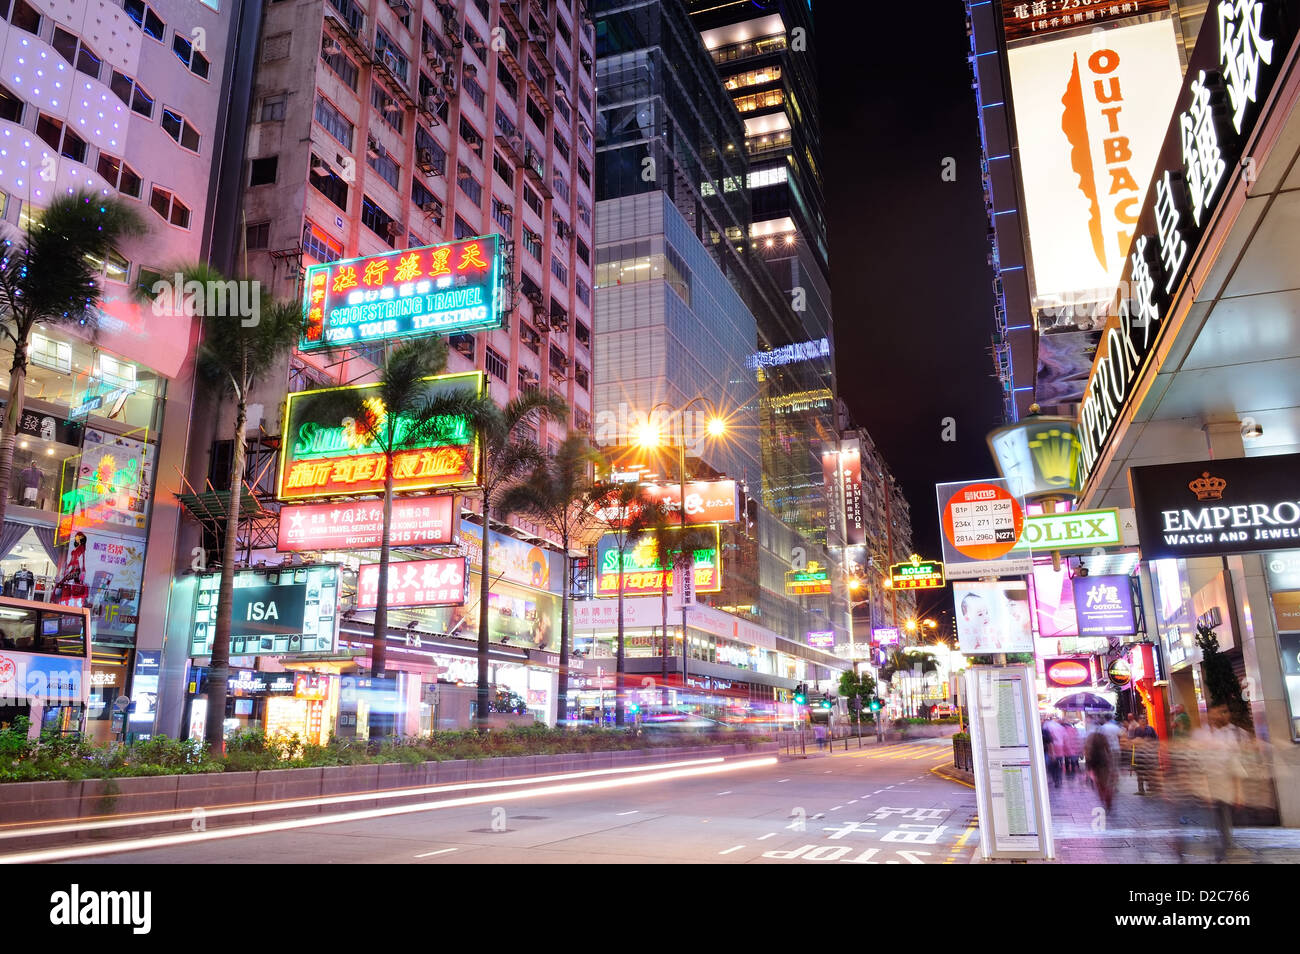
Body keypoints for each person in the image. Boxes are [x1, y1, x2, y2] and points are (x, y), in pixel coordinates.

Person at [1084, 722, 1117, 813]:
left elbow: (1087, 750)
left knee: (1099, 782)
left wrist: (1088, 764)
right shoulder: (1103, 737)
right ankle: (1107, 800)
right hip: (1103, 762)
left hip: (1094, 762)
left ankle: (1103, 796)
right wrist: (1111, 762)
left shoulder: (1090, 737)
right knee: (1105, 782)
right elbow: (1108, 749)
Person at [1131, 712, 1159, 795]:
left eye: (1144, 718)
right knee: (1140, 772)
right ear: (1139, 721)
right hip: (1140, 754)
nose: (1143, 720)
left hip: (1148, 753)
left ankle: (1151, 789)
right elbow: (1135, 741)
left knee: (1149, 772)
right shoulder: (1137, 730)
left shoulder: (1151, 729)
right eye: (1141, 718)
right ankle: (1141, 790)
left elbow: (1156, 740)